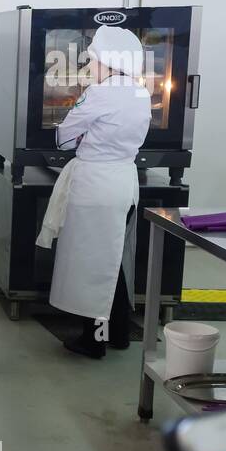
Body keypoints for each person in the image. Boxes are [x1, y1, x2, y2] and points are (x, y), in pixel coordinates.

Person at [36, 25, 150, 359]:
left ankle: (92, 340)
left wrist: (82, 138)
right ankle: (117, 332)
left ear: (109, 61)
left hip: (95, 186)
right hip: (125, 184)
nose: (91, 67)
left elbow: (65, 136)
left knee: (91, 265)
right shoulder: (140, 92)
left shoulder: (101, 93)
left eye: (94, 60)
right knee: (112, 260)